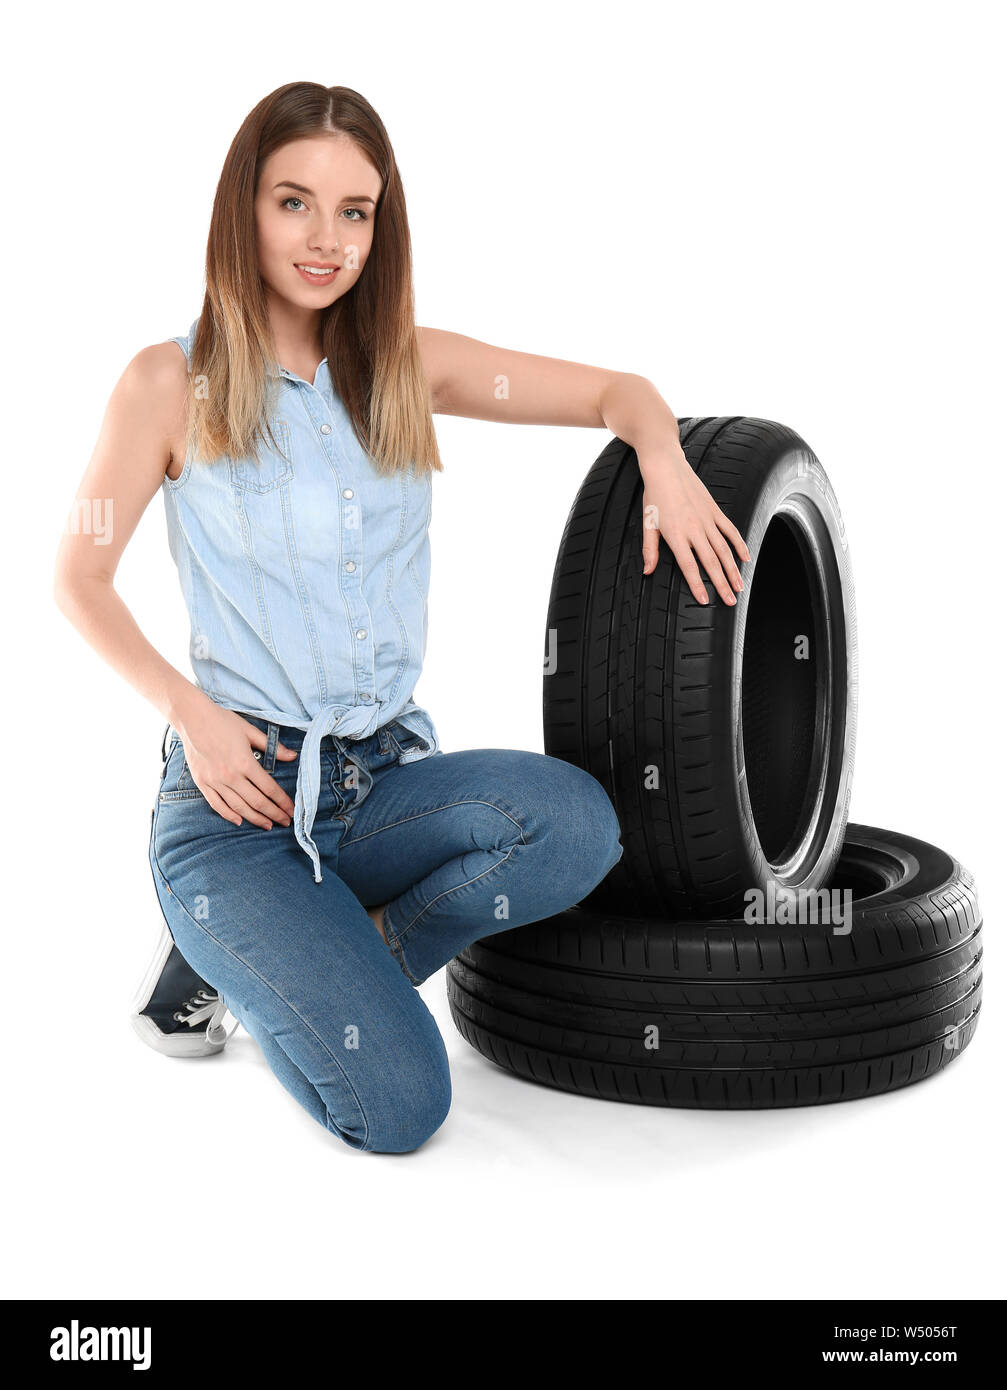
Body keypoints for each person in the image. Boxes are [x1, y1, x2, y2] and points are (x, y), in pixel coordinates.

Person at [52, 82, 749, 1153]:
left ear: (382, 224)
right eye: (294, 202)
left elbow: (618, 390)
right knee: (398, 1110)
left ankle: (284, 958)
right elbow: (78, 576)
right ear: (243, 208)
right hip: (237, 806)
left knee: (574, 826)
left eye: (355, 210)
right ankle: (217, 947)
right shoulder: (167, 382)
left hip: (381, 786)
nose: (325, 239)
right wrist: (187, 711)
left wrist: (661, 455)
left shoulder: (405, 367)